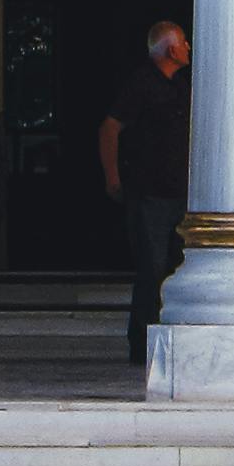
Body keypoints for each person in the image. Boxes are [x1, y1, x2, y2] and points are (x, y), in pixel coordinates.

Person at [99, 20, 190, 365]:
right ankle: (143, 345)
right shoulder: (141, 85)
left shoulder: (180, 87)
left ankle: (174, 341)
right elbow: (109, 128)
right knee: (151, 270)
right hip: (150, 193)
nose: (188, 49)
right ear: (170, 49)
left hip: (180, 193)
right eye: (183, 43)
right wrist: (113, 176)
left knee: (177, 267)